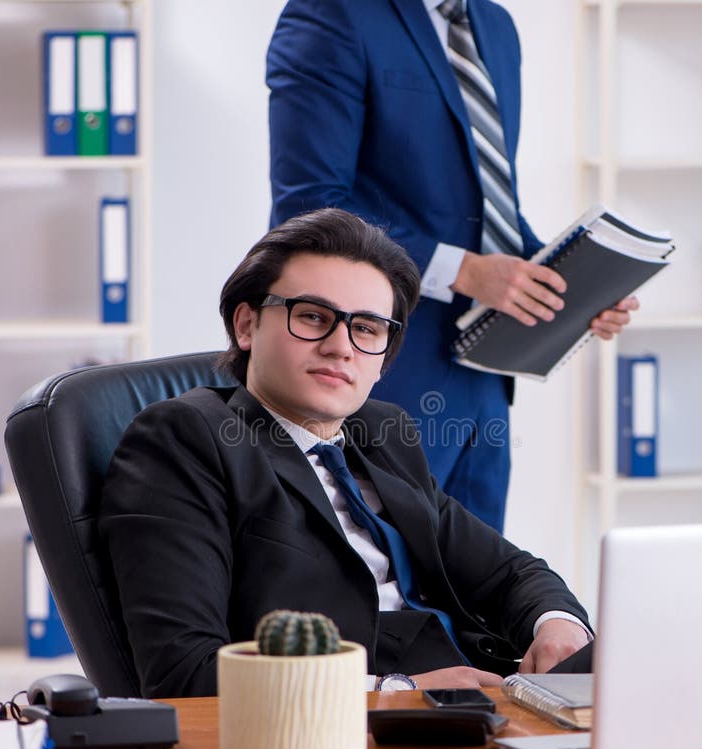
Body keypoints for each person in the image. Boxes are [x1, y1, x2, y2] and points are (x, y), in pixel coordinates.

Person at [99, 208, 592, 698]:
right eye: (313, 317)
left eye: (367, 329)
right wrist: (395, 692)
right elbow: (185, 673)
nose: (342, 347)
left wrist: (558, 624)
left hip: (483, 701)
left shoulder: (384, 434)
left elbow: (509, 572)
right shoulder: (185, 438)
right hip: (334, 743)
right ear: (246, 325)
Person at [266, 0, 637, 531]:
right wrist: (464, 271)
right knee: (380, 585)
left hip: (485, 370)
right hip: (382, 362)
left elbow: (485, 206)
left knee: (481, 593)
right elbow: (308, 206)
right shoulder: (333, 13)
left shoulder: (495, 26)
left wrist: (572, 284)